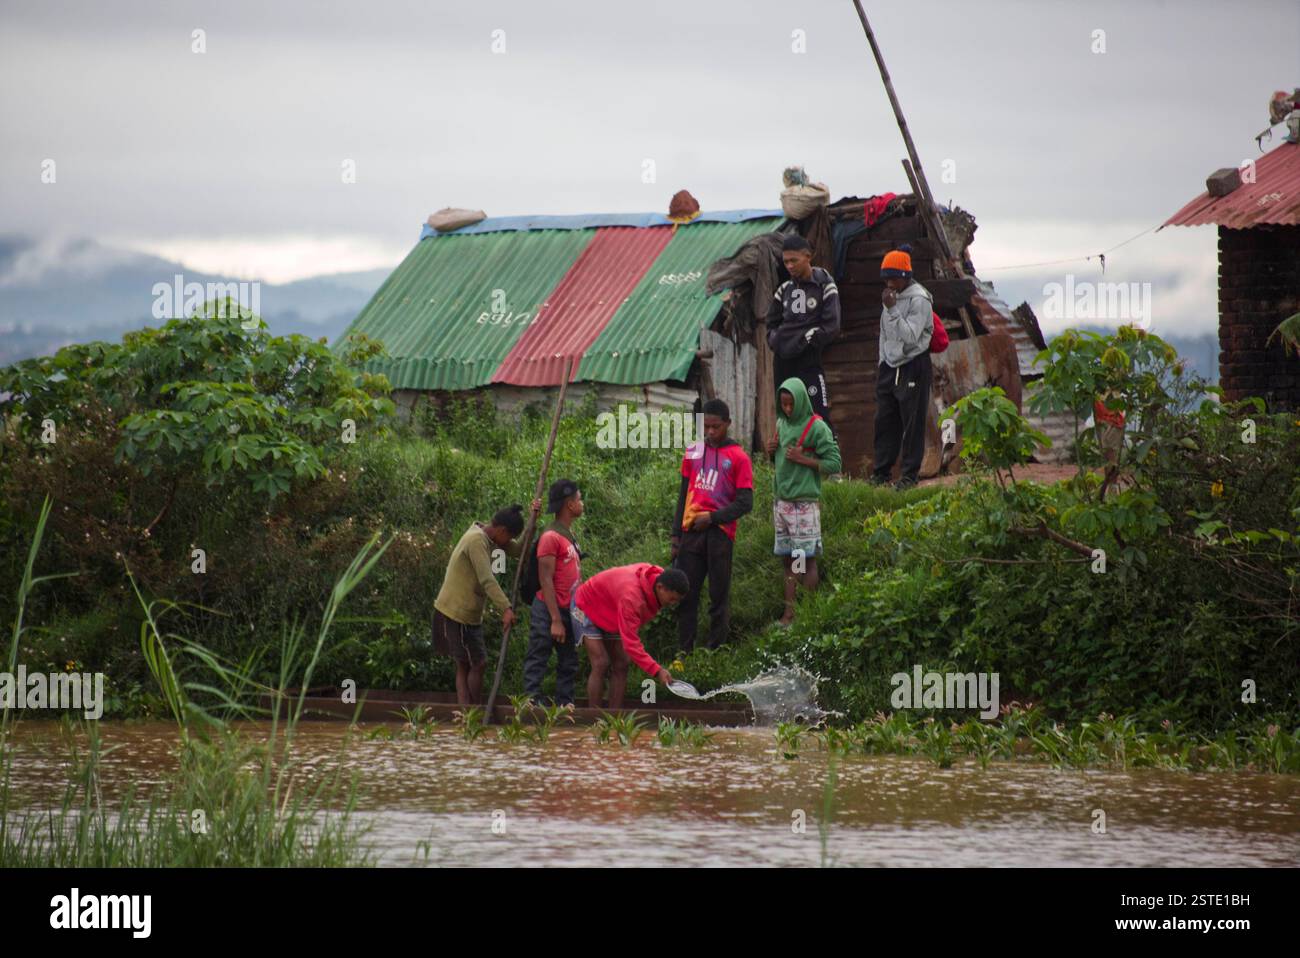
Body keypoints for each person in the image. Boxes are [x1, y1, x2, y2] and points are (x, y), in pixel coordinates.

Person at [433, 499, 540, 706]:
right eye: (509, 536)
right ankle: (471, 712)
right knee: (473, 664)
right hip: (455, 611)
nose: (508, 540)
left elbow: (519, 551)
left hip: (466, 613)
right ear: (501, 529)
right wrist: (506, 608)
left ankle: (471, 712)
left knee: (471, 664)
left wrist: (532, 521)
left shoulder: (491, 538)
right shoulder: (476, 540)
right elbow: (486, 579)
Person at [671, 398, 754, 652]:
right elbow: (684, 494)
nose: (709, 432)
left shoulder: (739, 457)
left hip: (719, 535)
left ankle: (715, 652)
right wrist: (676, 537)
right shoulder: (693, 451)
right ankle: (684, 653)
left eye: (715, 427)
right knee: (687, 595)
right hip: (691, 533)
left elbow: (745, 503)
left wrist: (713, 518)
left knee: (718, 596)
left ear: (727, 424)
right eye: (705, 426)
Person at [765, 378, 841, 627]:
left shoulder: (816, 427)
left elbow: (834, 464)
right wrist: (770, 450)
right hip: (782, 504)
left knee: (804, 560)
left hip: (803, 506)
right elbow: (779, 462)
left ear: (801, 401)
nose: (787, 409)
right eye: (784, 404)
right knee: (789, 561)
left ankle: (806, 615)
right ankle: (789, 615)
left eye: (791, 404)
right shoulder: (781, 424)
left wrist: (803, 459)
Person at [570, 564, 684, 709]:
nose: (673, 604)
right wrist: (657, 670)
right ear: (660, 587)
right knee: (601, 662)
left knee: (622, 663)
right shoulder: (632, 598)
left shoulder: (658, 579)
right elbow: (631, 644)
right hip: (586, 605)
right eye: (672, 599)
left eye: (677, 601)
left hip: (612, 610)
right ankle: (595, 719)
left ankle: (615, 718)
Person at [871, 244, 934, 490]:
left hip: (912, 365)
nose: (890, 284)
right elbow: (884, 335)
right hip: (889, 366)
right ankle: (881, 473)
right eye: (886, 279)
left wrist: (893, 309)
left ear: (905, 276)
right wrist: (882, 362)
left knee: (912, 422)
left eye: (894, 279)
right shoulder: (890, 297)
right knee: (885, 421)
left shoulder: (919, 300)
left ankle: (909, 476)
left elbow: (910, 336)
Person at [766, 233, 841, 428]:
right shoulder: (784, 289)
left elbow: (832, 325)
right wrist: (776, 340)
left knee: (819, 415)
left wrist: (809, 340)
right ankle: (789, 457)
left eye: (794, 260)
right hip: (783, 360)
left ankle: (827, 458)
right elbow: (771, 322)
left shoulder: (824, 284)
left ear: (808, 256)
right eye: (786, 262)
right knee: (786, 415)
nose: (789, 266)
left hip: (808, 359)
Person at [523, 479, 584, 706]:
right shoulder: (550, 537)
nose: (581, 502)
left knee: (569, 660)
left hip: (568, 608)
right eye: (579, 499)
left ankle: (564, 703)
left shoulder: (568, 534)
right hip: (549, 609)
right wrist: (555, 619)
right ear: (569, 505)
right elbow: (545, 579)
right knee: (539, 652)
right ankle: (531, 700)